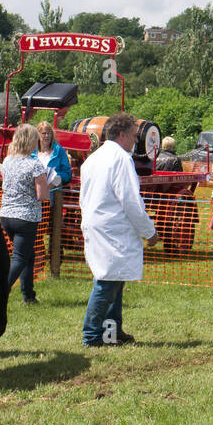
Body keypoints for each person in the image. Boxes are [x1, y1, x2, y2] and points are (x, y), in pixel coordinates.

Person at [80, 113, 157, 347]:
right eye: (134, 136)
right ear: (122, 134)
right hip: (112, 228)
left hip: (99, 224)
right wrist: (150, 231)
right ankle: (92, 336)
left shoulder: (94, 158)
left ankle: (112, 331)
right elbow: (131, 201)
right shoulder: (121, 159)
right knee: (106, 282)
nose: (136, 140)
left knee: (115, 279)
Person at [0, 124, 52, 305]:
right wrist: (51, 183)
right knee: (20, 257)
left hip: (6, 215)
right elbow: (42, 196)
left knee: (28, 255)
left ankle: (28, 296)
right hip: (26, 217)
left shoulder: (7, 161)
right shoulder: (35, 165)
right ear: (31, 141)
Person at [37, 121, 74, 187]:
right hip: (33, 193)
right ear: (38, 135)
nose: (47, 136)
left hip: (52, 193)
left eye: (49, 133)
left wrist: (55, 177)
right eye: (44, 133)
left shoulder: (59, 151)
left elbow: (67, 174)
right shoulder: (32, 152)